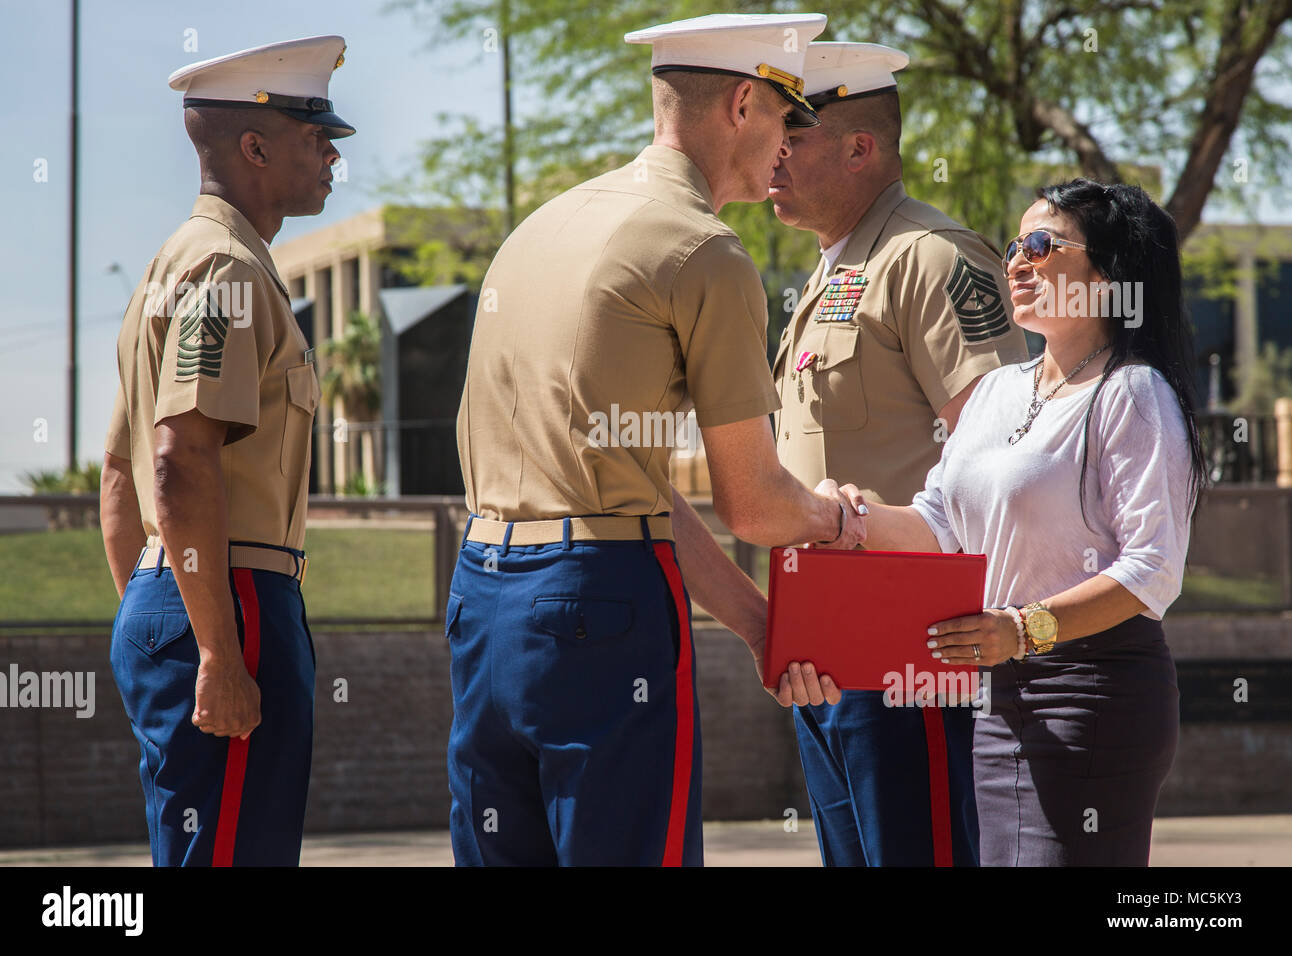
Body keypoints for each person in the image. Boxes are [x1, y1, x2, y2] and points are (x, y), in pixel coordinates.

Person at [450, 12, 868, 867]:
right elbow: (752, 504)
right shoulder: (706, 250)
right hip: (601, 603)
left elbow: (635, 488)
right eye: (788, 116)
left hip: (481, 599)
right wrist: (836, 518)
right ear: (743, 103)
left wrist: (758, 628)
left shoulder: (540, 226)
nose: (791, 141)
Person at [855, 179, 1205, 865]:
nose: (1016, 261)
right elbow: (937, 525)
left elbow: (1151, 570)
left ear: (1106, 275)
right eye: (1015, 245)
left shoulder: (1132, 392)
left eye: (1042, 246)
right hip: (997, 697)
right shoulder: (995, 390)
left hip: (1092, 695)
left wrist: (1020, 628)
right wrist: (843, 516)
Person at [767, 41, 1030, 866]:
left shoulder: (931, 256)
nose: (771, 152)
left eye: (794, 135)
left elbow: (1004, 458)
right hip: (827, 644)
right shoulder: (833, 269)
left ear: (860, 148)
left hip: (917, 642)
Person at [99, 35, 353, 866]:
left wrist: (157, 610)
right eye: (316, 137)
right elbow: (176, 462)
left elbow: (118, 477)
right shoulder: (228, 268)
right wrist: (212, 644)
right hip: (233, 595)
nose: (330, 155)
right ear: (254, 145)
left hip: (183, 589)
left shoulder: (169, 268)